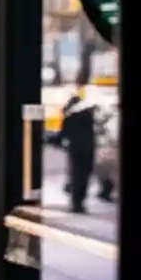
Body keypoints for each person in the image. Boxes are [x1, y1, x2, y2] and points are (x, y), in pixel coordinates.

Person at [59, 79, 97, 214]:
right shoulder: (88, 113)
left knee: (76, 174)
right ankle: (80, 202)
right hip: (89, 147)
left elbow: (64, 133)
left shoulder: (69, 115)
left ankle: (76, 203)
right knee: (85, 174)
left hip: (75, 148)